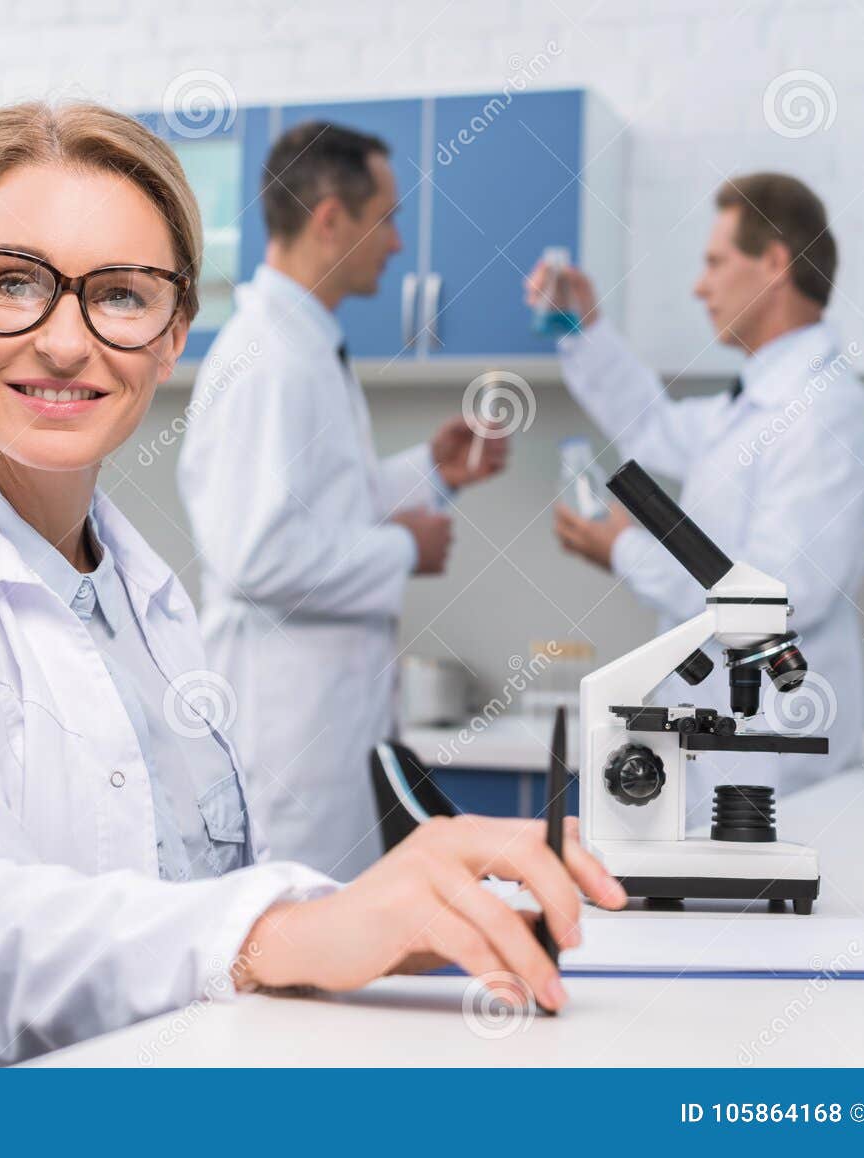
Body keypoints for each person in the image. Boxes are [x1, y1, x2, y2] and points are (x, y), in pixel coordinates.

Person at [0, 101, 620, 1068]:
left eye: (120, 295)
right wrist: (288, 933)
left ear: (172, 337)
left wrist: (401, 922)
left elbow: (180, 929)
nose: (66, 342)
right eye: (11, 283)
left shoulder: (145, 607)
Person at [177, 122, 507, 878]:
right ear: (330, 220)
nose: (396, 244)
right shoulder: (269, 363)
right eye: (386, 219)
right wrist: (404, 548)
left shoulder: (307, 349)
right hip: (283, 742)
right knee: (295, 969)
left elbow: (323, 508)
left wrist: (435, 471)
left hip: (325, 732)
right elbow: (257, 557)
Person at [532, 173, 864, 800]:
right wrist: (582, 328)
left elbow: (775, 600)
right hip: (723, 754)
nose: (700, 286)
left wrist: (624, 550)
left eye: (716, 262)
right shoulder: (754, 404)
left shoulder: (826, 411)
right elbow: (656, 429)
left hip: (779, 769)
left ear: (774, 263)